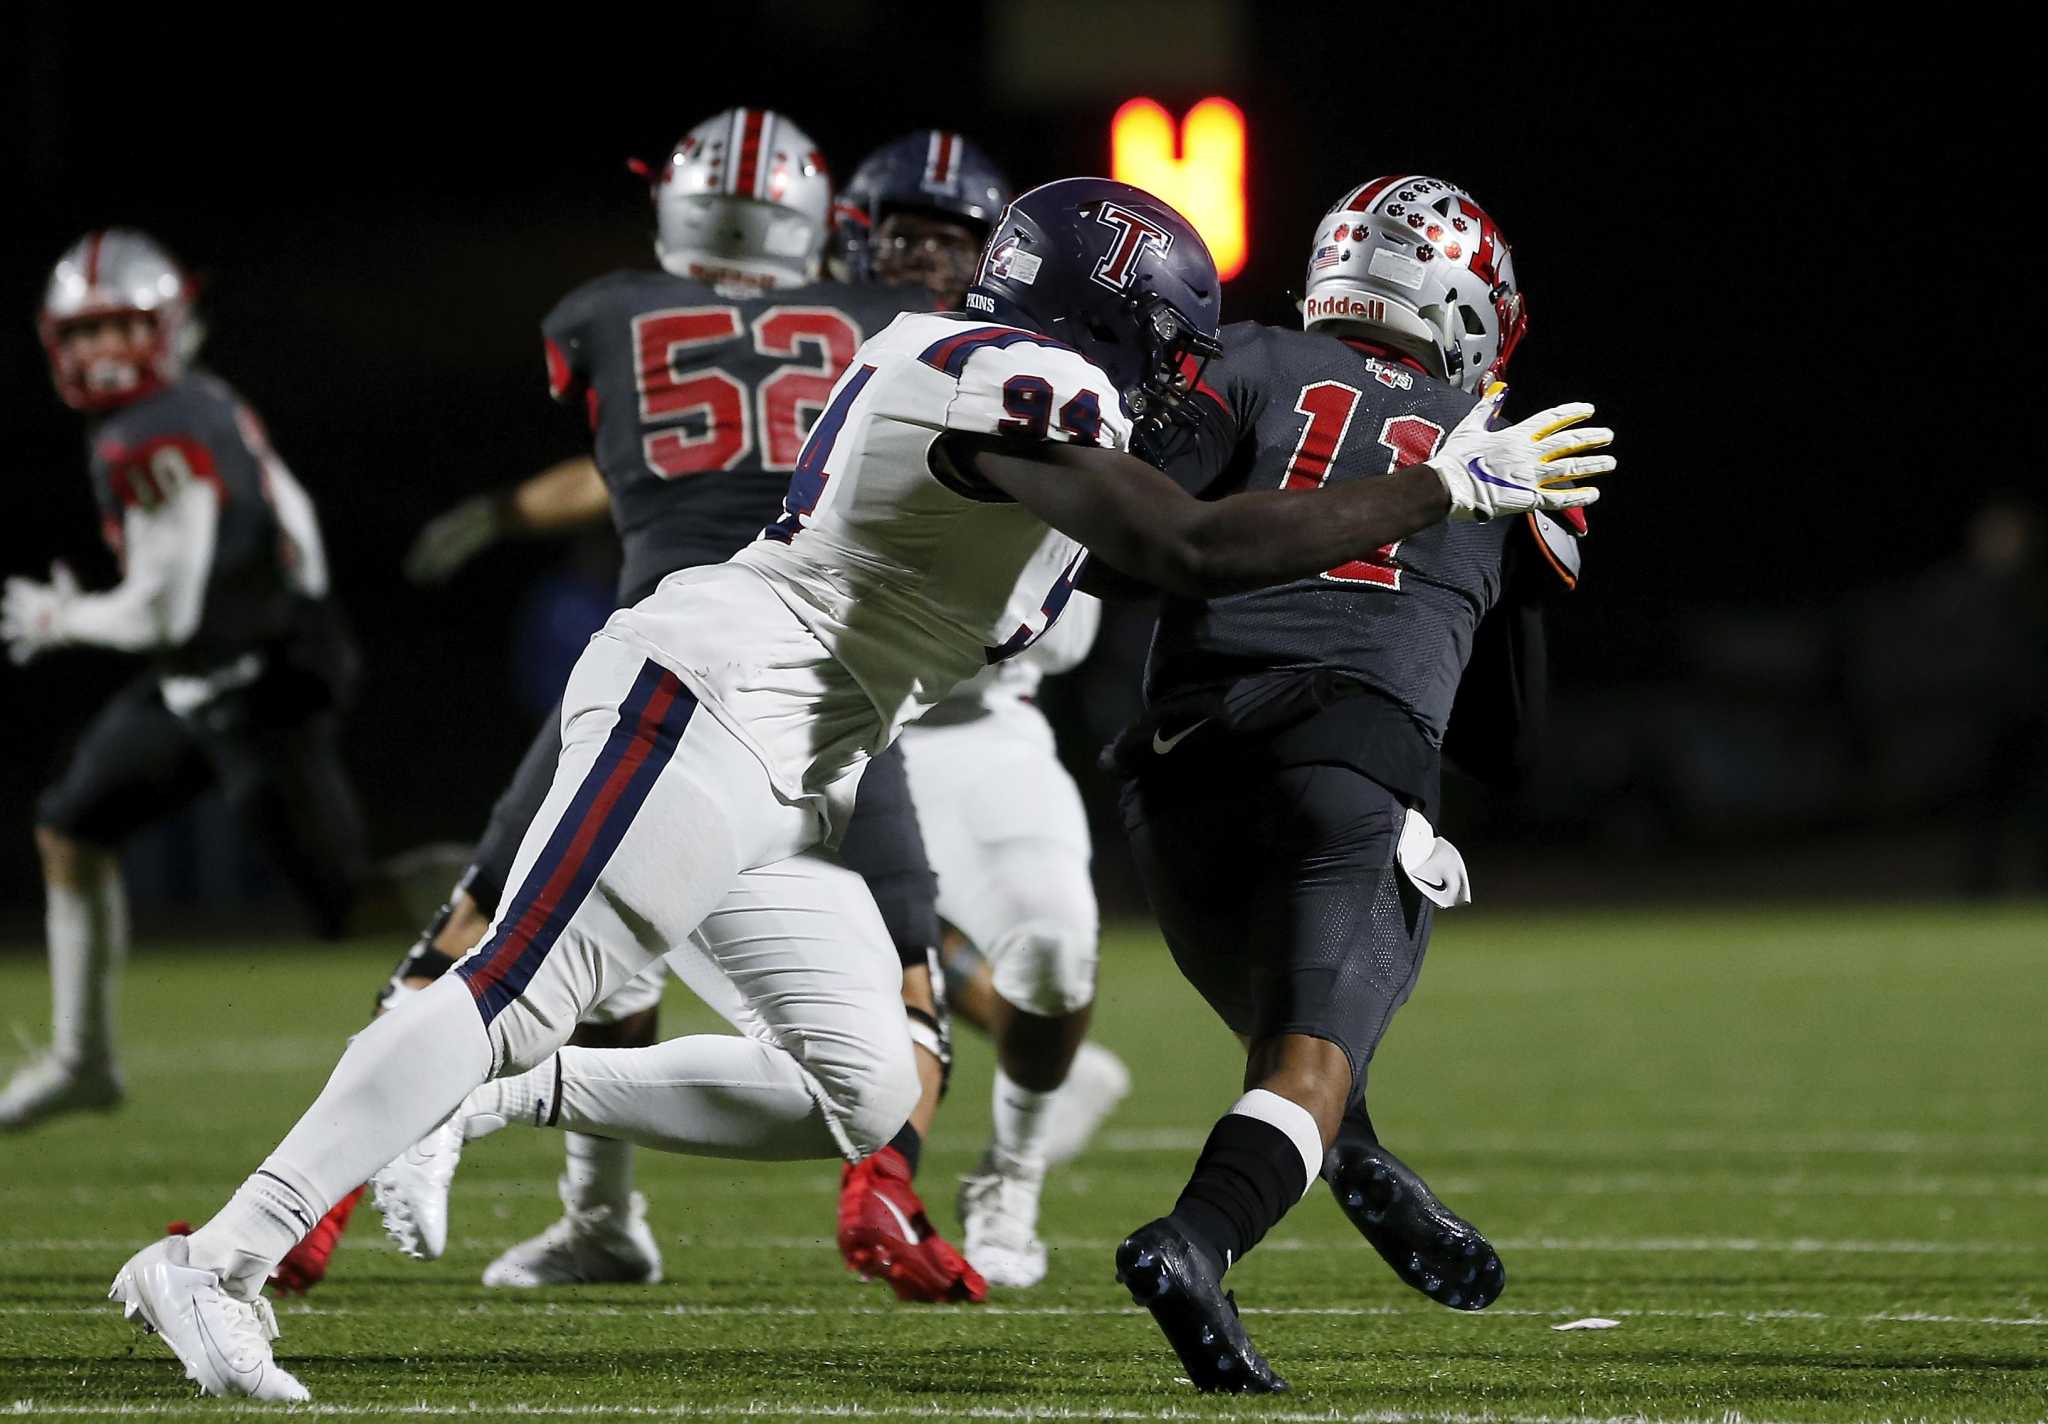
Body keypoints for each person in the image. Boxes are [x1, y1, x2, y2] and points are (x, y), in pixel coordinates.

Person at [109, 175, 1605, 1402]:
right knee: (512, 978)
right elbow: (1190, 551)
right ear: (1115, 317)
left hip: (807, 757)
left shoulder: (1012, 371)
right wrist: (1442, 487)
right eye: (1168, 337)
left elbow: (1185, 522)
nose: (1177, 368)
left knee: (876, 1081)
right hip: (718, 692)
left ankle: (473, 1096)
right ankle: (223, 1256)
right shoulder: (1009, 376)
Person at [273, 108, 983, 1303]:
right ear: (819, 221)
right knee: (911, 975)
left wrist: (501, 511)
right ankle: (888, 1192)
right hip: (834, 676)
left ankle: (316, 1208)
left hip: (665, 660)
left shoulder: (605, 311)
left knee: (479, 929)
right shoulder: (889, 329)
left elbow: (613, 459)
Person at [1108, 174, 1601, 1391]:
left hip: (1171, 767)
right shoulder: (1494, 448)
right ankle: (1197, 1237)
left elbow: (1135, 527)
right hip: (1346, 760)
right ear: (1466, 305)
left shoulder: (1242, 357)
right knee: (1307, 1060)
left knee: (1288, 1035)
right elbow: (1512, 743)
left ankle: (1357, 1151)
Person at [833, 130, 1132, 1290]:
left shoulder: (1034, 369)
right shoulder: (822, 346)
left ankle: (1009, 1172)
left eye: (947, 239)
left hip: (973, 720)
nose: (918, 257)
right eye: (900, 232)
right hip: (827, 711)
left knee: (1056, 950)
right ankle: (594, 1206)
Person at [2, 230, 368, 1132]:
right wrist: (305, 596)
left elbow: (157, 615)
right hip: (203, 678)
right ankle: (83, 1060)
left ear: (165, 326)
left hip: (258, 692)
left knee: (353, 908)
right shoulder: (198, 400)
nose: (101, 353)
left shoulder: (155, 432)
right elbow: (298, 513)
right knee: (70, 828)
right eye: (84, 334)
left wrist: (61, 619)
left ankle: (513, 911)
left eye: (120, 328)